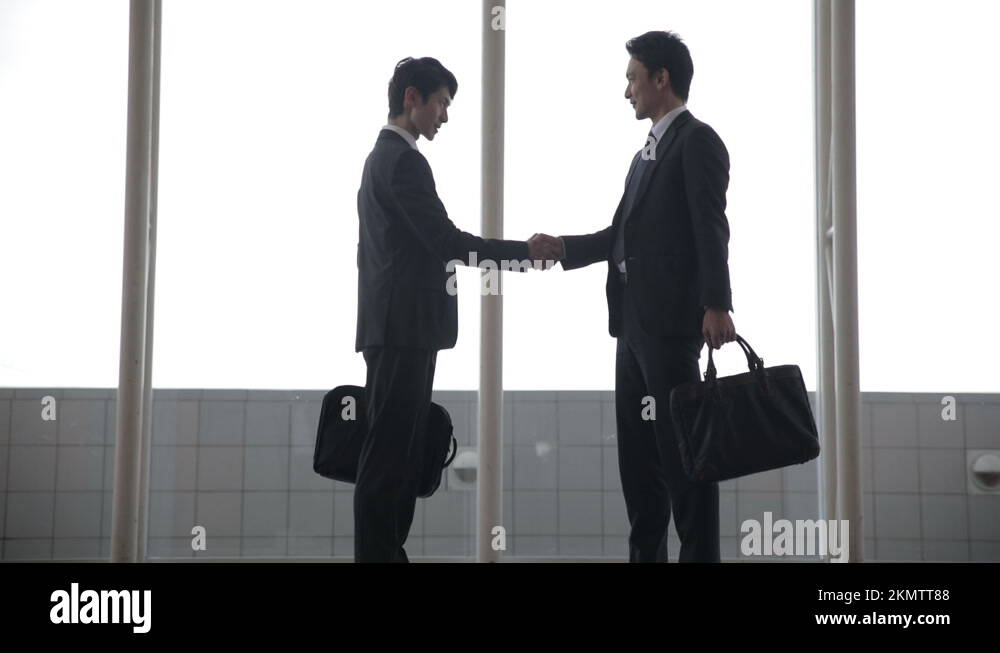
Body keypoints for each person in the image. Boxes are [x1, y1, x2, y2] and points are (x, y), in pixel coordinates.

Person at [354, 56, 560, 563]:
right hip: (404, 332)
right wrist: (522, 254)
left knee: (394, 458)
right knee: (389, 463)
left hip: (393, 329)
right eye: (441, 103)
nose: (445, 116)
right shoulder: (404, 162)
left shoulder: (379, 160)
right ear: (412, 98)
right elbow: (446, 241)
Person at [551, 31, 737, 562]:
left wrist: (716, 302)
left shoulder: (697, 141)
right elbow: (619, 237)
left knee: (686, 462)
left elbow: (711, 226)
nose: (626, 90)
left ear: (662, 79)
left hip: (671, 328)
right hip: (631, 329)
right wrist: (563, 248)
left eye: (633, 78)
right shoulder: (643, 157)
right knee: (639, 466)